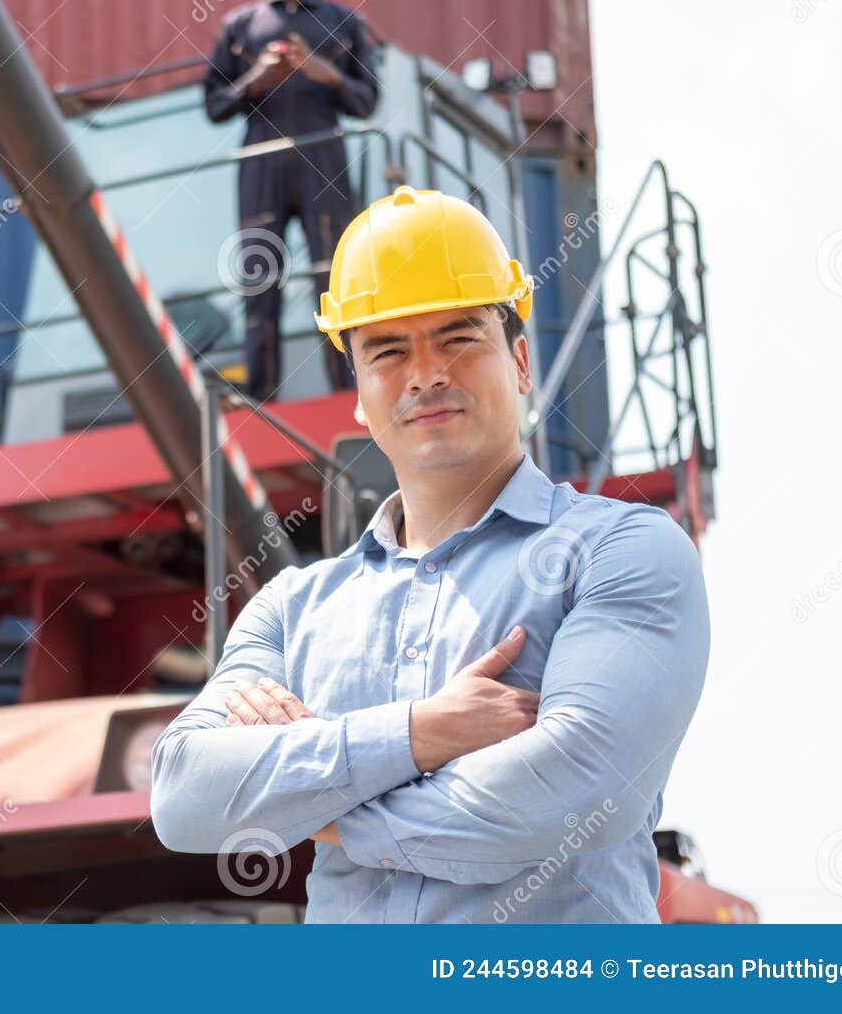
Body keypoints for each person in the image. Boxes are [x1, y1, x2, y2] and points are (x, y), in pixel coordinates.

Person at [149, 187, 711, 923]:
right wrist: (423, 731)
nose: (424, 373)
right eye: (387, 349)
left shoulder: (623, 553)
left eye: (457, 336)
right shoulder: (291, 609)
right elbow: (186, 796)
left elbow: (572, 789)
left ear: (518, 360)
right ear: (358, 391)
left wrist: (315, 801)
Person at [203, 0, 379, 402]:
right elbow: (214, 105)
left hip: (324, 161)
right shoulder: (241, 25)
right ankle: (261, 398)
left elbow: (368, 100)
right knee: (260, 283)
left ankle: (350, 395)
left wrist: (325, 72)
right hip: (261, 161)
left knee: (334, 277)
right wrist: (254, 80)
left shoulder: (344, 22)